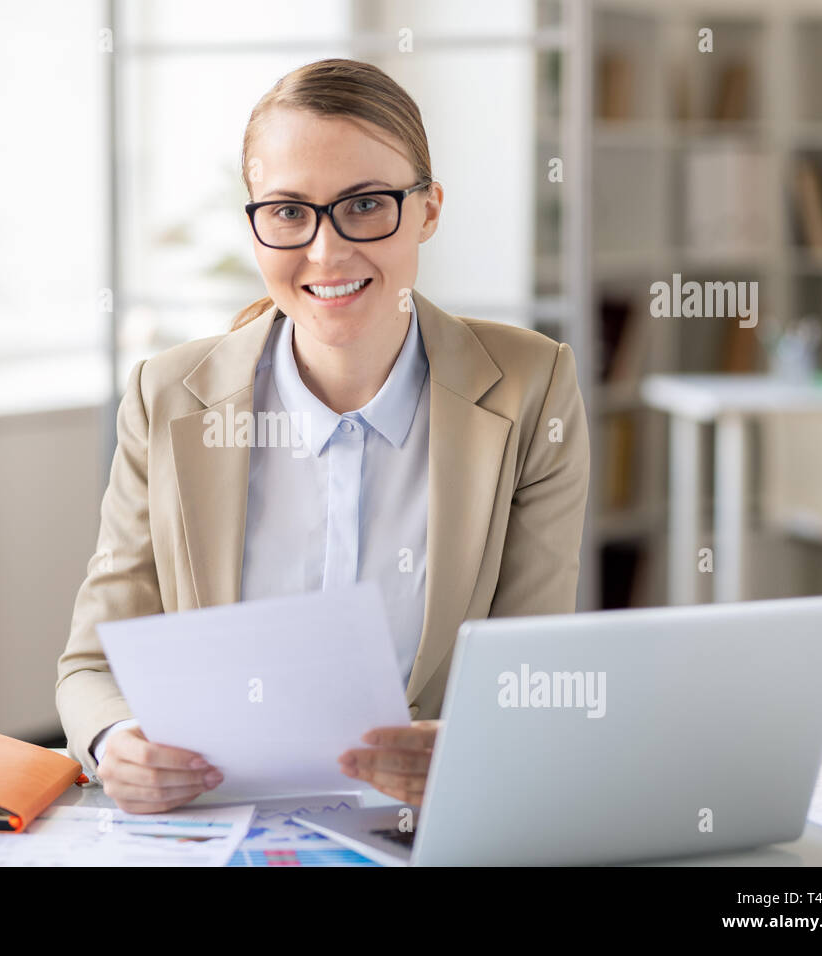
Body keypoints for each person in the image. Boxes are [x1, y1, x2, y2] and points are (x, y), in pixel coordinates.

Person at [56, 57, 589, 814]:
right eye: (287, 211)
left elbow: (533, 673)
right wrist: (118, 742)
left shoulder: (533, 387)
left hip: (431, 831)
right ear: (255, 222)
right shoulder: (167, 398)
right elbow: (89, 667)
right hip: (218, 823)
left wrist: (480, 746)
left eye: (366, 204)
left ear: (429, 210)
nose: (326, 251)